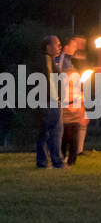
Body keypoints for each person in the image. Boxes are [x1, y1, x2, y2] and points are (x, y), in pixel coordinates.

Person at [35, 36, 65, 169]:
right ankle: (57, 162)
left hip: (43, 102)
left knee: (43, 133)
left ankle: (42, 162)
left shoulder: (45, 60)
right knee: (55, 132)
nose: (60, 47)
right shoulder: (47, 60)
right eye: (57, 44)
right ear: (48, 47)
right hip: (50, 102)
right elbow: (48, 80)